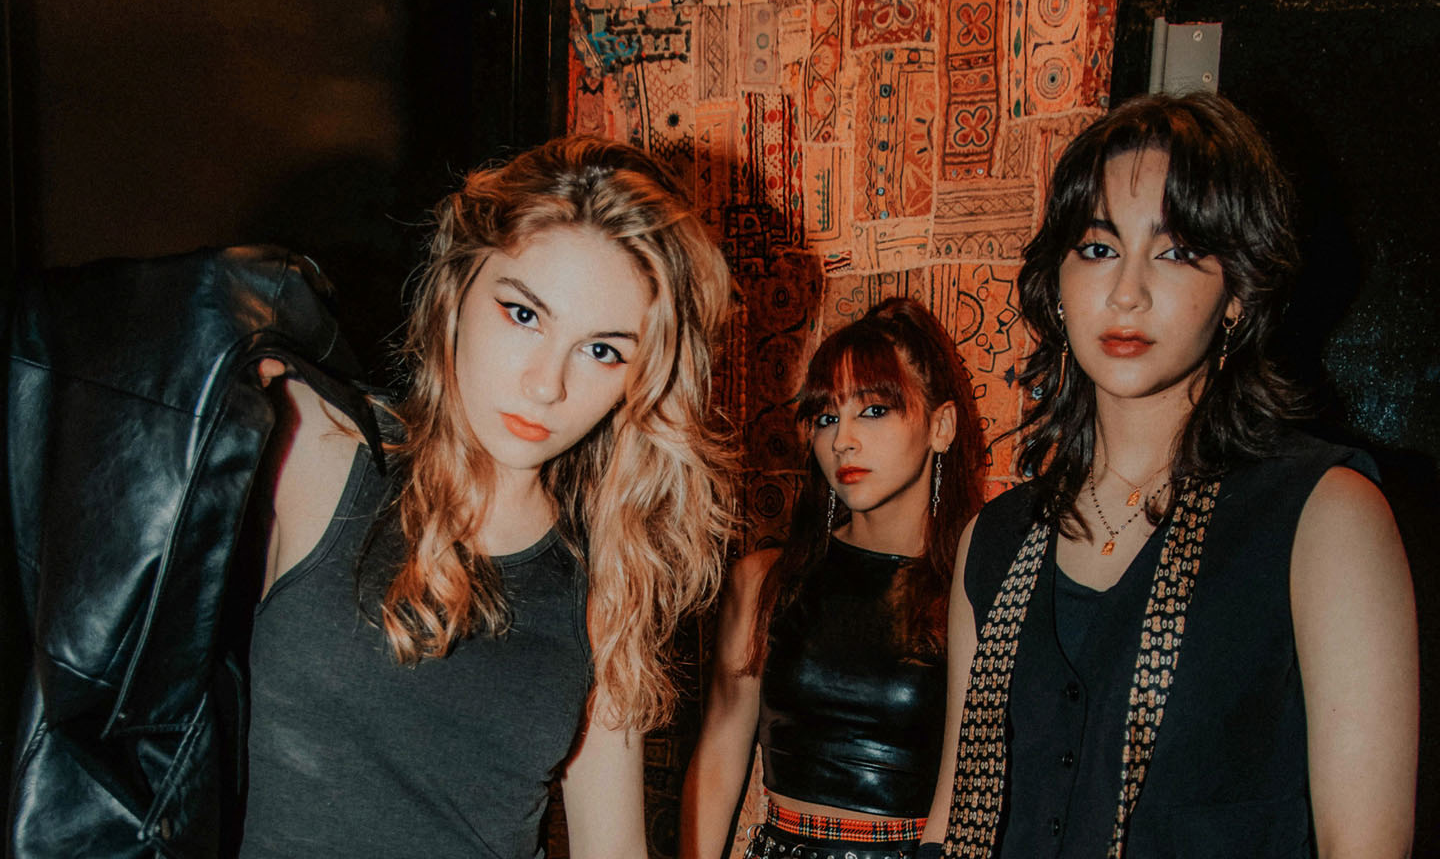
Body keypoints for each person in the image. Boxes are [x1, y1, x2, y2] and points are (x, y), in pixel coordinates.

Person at [921, 93, 1418, 858]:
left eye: (1178, 251)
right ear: (1057, 283)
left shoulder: (1325, 516)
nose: (1128, 291)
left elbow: (1366, 845)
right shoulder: (995, 541)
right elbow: (953, 821)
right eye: (1099, 248)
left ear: (1238, 293)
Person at [244, 136, 735, 857]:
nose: (546, 384)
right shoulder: (314, 446)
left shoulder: (605, 581)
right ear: (458, 285)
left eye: (602, 350)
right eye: (524, 315)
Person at [682, 298, 985, 859]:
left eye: (873, 410)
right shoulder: (765, 582)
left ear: (941, 426)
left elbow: (978, 778)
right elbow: (720, 755)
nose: (842, 439)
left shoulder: (977, 590)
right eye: (826, 417)